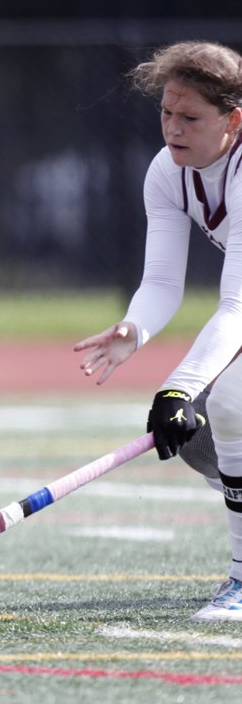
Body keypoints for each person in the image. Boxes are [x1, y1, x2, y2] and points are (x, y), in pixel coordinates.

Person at [74, 40, 242, 622]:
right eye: (166, 113)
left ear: (233, 119)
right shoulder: (167, 172)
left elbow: (237, 303)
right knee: (202, 438)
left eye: (190, 117)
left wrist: (177, 386)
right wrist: (135, 328)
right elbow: (165, 283)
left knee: (227, 401)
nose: (173, 128)